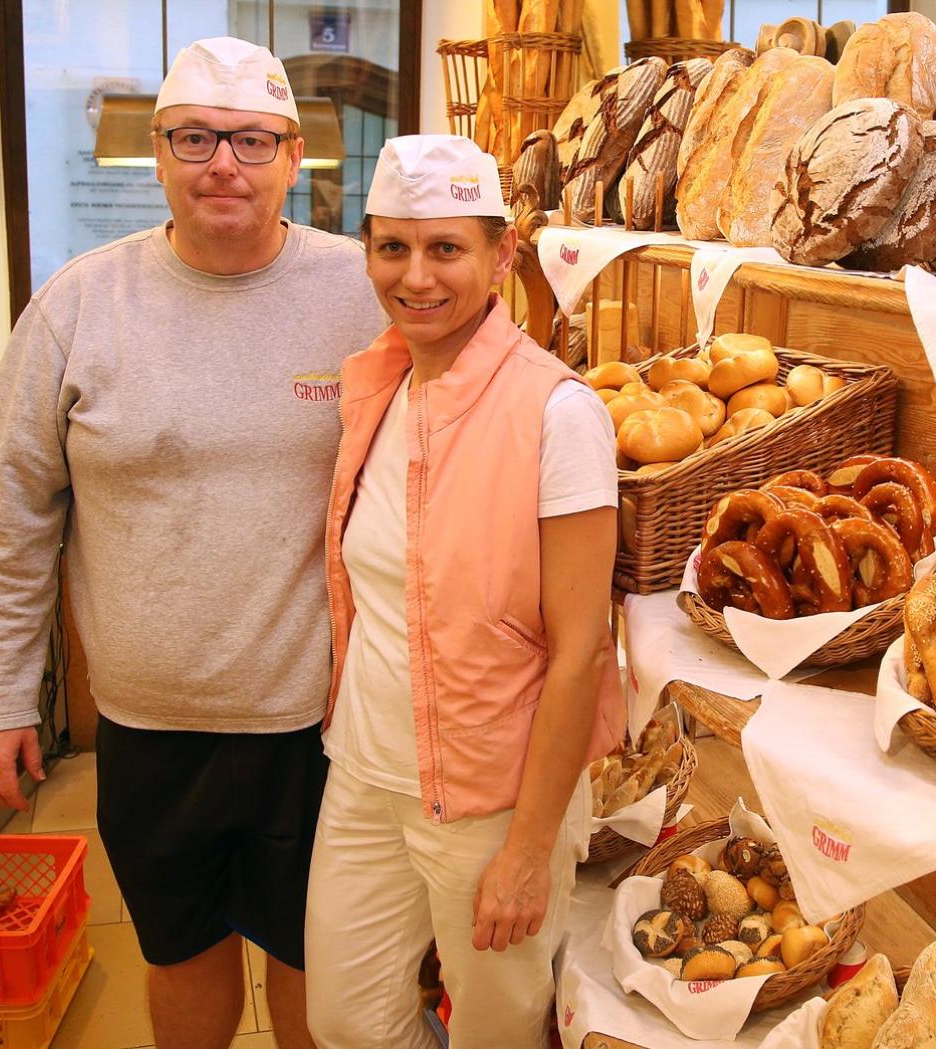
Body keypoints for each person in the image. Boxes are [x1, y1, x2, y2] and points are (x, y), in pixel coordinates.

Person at [0, 37, 385, 1049]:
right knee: (179, 953)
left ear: (294, 156)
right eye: (195, 137)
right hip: (150, 722)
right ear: (157, 152)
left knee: (314, 961)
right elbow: (9, 518)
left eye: (251, 140)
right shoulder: (79, 305)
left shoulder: (363, 293)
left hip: (321, 717)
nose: (222, 163)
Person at [302, 135, 625, 1047]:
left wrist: (529, 849)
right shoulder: (378, 386)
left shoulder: (558, 412)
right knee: (346, 1020)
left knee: (497, 1029)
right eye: (392, 248)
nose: (416, 276)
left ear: (502, 253)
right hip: (365, 771)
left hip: (492, 799)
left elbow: (580, 651)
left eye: (446, 247)